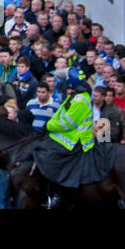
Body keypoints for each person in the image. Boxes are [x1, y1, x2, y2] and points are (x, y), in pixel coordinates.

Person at [35, 65, 97, 207]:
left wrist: (49, 125)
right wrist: (51, 123)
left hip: (77, 139)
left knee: (51, 157)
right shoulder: (75, 96)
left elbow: (67, 123)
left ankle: (57, 193)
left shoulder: (80, 99)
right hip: (66, 137)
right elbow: (59, 114)